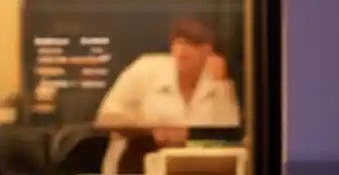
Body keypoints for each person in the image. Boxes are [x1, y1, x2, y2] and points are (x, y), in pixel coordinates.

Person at [94, 16, 241, 175]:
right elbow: (105, 117)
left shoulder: (218, 81)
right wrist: (151, 130)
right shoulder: (145, 68)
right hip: (137, 165)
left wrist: (221, 84)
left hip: (198, 169)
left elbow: (228, 136)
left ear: (208, 51)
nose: (182, 51)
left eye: (192, 45)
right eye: (178, 43)